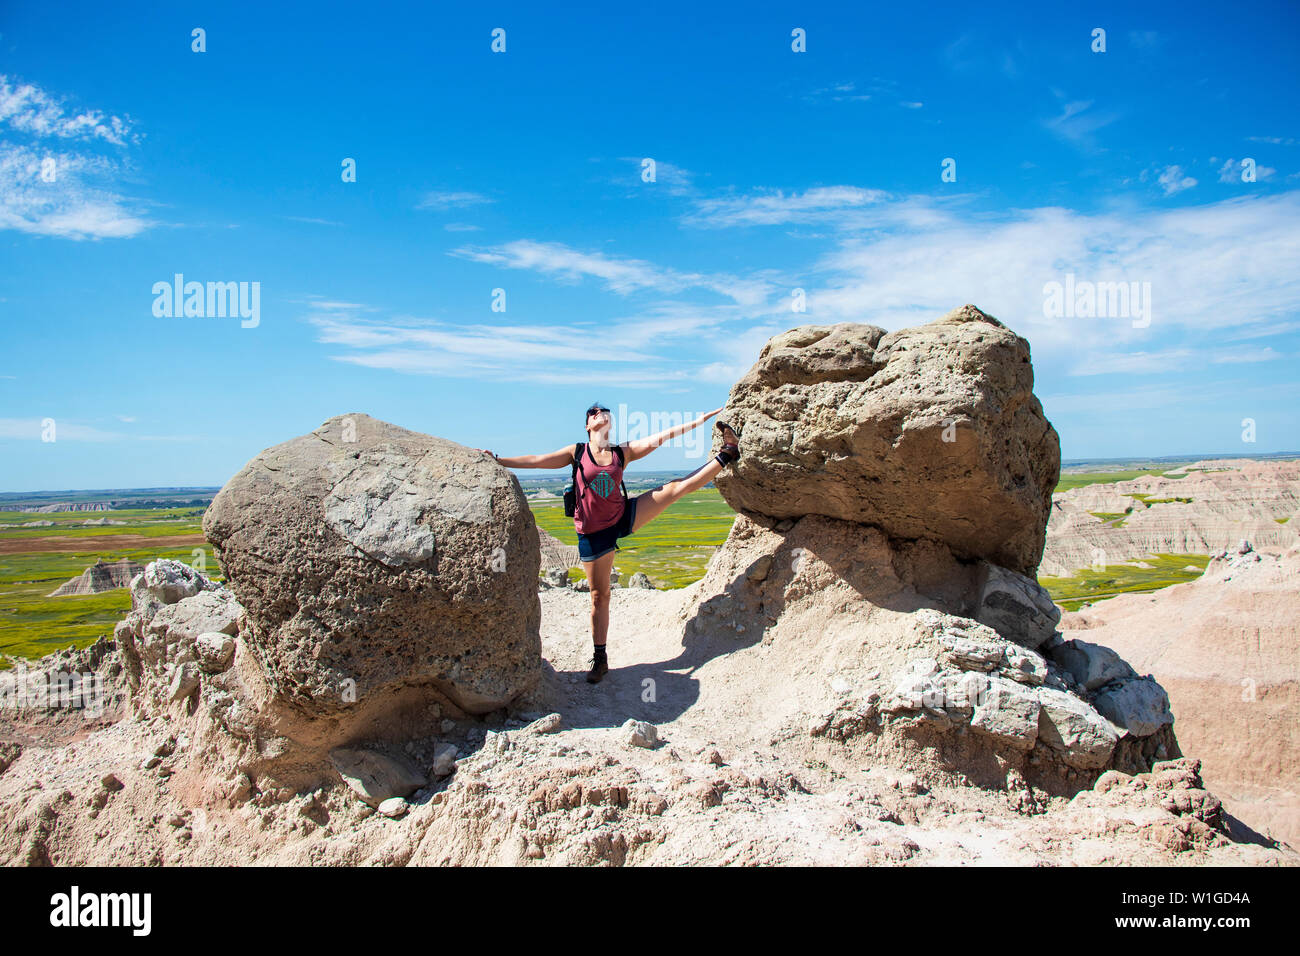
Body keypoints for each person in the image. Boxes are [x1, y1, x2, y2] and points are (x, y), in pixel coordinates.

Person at [478, 402, 741, 683]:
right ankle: (600, 658)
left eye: (603, 411)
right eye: (593, 413)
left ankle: (727, 454)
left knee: (676, 487)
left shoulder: (621, 453)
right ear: (588, 426)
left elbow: (662, 436)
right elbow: (537, 460)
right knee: (599, 596)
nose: (599, 413)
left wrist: (700, 419)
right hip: (592, 534)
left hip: (622, 515)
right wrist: (499, 459)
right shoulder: (576, 452)